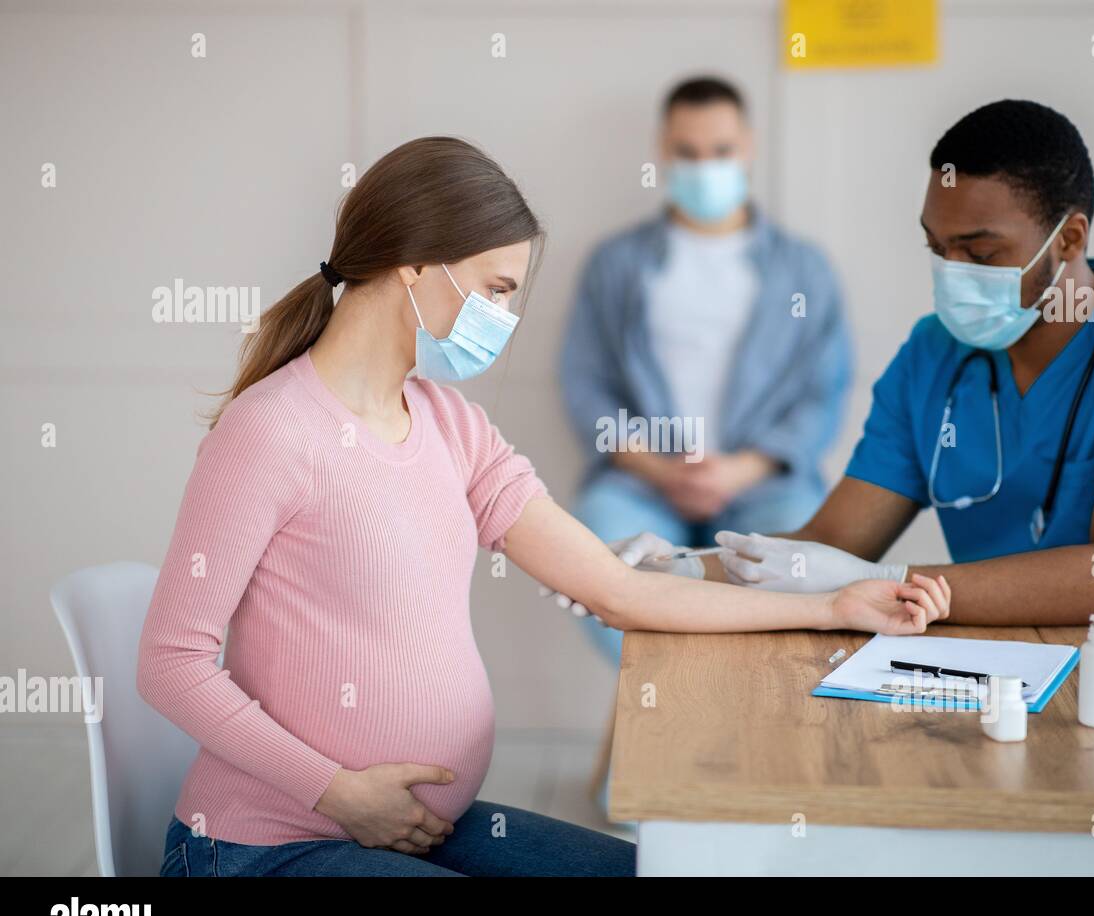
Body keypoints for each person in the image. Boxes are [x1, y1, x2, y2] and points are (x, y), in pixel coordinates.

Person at [138, 137, 950, 877]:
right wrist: (339, 791)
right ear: (416, 264)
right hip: (268, 844)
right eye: (495, 289)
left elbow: (617, 589)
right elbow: (170, 661)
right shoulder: (271, 432)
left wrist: (834, 604)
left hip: (412, 826)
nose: (503, 319)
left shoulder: (450, 423)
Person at [554, 99, 1094, 627]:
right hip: (995, 664)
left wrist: (873, 577)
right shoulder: (933, 355)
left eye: (979, 253)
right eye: (936, 247)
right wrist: (672, 568)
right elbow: (827, 541)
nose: (952, 273)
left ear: (1068, 239)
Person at [559, 76, 853, 665]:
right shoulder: (616, 264)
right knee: (594, 559)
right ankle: (671, 715)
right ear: (662, 151)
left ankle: (730, 721)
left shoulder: (804, 269)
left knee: (804, 562)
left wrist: (739, 471)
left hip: (764, 485)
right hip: (642, 483)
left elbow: (822, 395)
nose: (704, 166)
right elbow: (586, 386)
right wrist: (662, 471)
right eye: (686, 152)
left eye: (720, 150)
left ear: (748, 145)